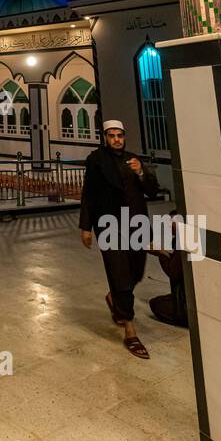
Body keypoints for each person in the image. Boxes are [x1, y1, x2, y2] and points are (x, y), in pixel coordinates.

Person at [79, 119, 159, 359]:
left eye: (119, 136)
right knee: (120, 275)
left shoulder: (134, 160)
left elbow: (153, 191)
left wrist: (141, 172)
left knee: (135, 273)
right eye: (112, 135)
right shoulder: (96, 161)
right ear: (105, 137)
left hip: (136, 225)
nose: (116, 139)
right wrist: (86, 227)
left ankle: (114, 298)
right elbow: (89, 194)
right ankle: (130, 330)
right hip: (108, 225)